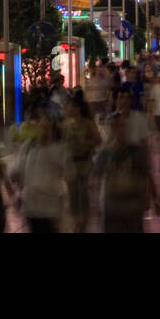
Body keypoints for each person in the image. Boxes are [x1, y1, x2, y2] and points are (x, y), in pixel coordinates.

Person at [92, 112, 158, 233]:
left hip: (133, 203)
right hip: (113, 204)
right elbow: (97, 178)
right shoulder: (105, 152)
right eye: (115, 126)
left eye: (122, 125)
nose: (119, 129)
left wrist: (151, 197)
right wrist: (96, 204)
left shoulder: (136, 150)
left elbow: (146, 174)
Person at [9, 115, 67, 233]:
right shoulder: (28, 147)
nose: (44, 131)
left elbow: (70, 173)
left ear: (51, 131)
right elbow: (16, 171)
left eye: (47, 128)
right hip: (32, 205)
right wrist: (16, 192)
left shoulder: (58, 150)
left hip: (50, 206)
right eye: (42, 127)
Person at [62, 91, 102, 232]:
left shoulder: (88, 123)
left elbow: (98, 140)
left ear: (78, 108)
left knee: (83, 193)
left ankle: (83, 221)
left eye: (72, 106)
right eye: (69, 107)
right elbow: (62, 142)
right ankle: (76, 221)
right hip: (71, 163)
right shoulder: (66, 125)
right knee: (73, 194)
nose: (69, 109)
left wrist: (87, 143)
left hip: (85, 162)